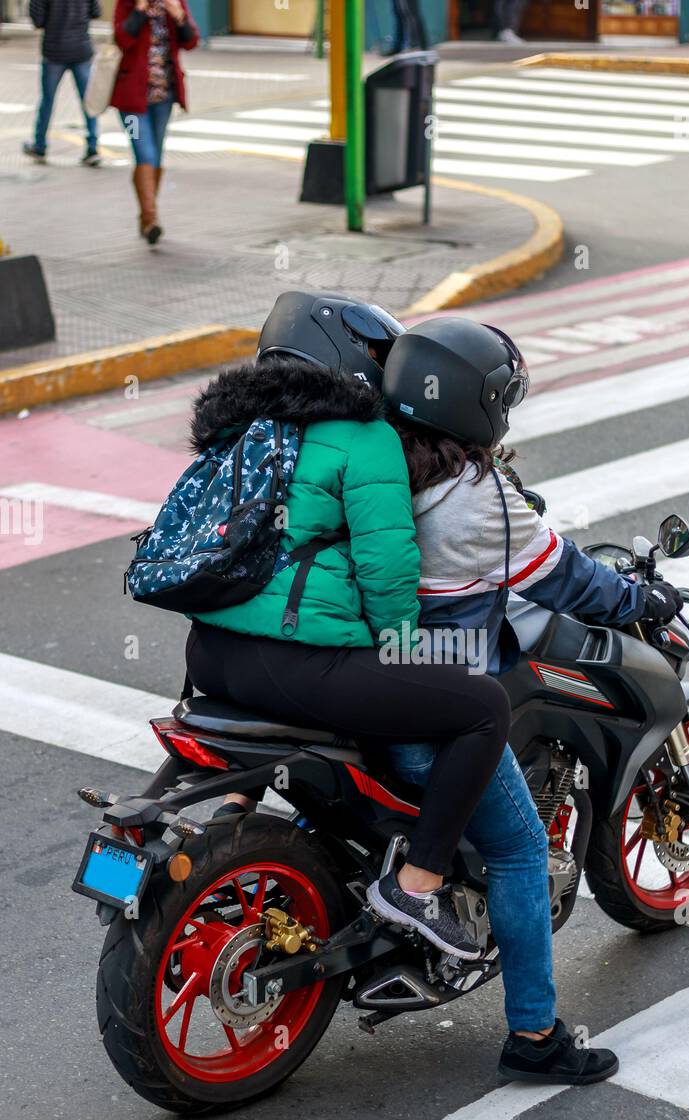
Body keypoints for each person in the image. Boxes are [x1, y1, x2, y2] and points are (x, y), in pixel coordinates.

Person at [382, 318, 683, 1084]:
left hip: (358, 684)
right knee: (520, 849)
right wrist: (641, 596)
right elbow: (566, 578)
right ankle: (537, 1036)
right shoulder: (477, 496)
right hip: (435, 712)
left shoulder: (378, 463)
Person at [187, 292, 511, 963]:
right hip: (299, 667)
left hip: (207, 658)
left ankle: (231, 818)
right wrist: (405, 649)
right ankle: (417, 885)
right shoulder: (364, 439)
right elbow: (389, 570)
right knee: (482, 709)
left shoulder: (240, 427)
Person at [110, 0, 198, 244]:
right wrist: (139, 10)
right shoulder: (127, 4)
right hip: (130, 100)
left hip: (163, 98)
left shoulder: (174, 4)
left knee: (155, 156)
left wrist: (179, 16)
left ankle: (147, 219)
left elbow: (191, 42)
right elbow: (122, 39)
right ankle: (151, 220)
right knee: (145, 153)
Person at [23, 0, 101, 166]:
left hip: (54, 51)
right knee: (88, 102)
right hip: (81, 49)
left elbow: (37, 19)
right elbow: (96, 11)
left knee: (47, 100)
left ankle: (39, 146)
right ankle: (93, 147)